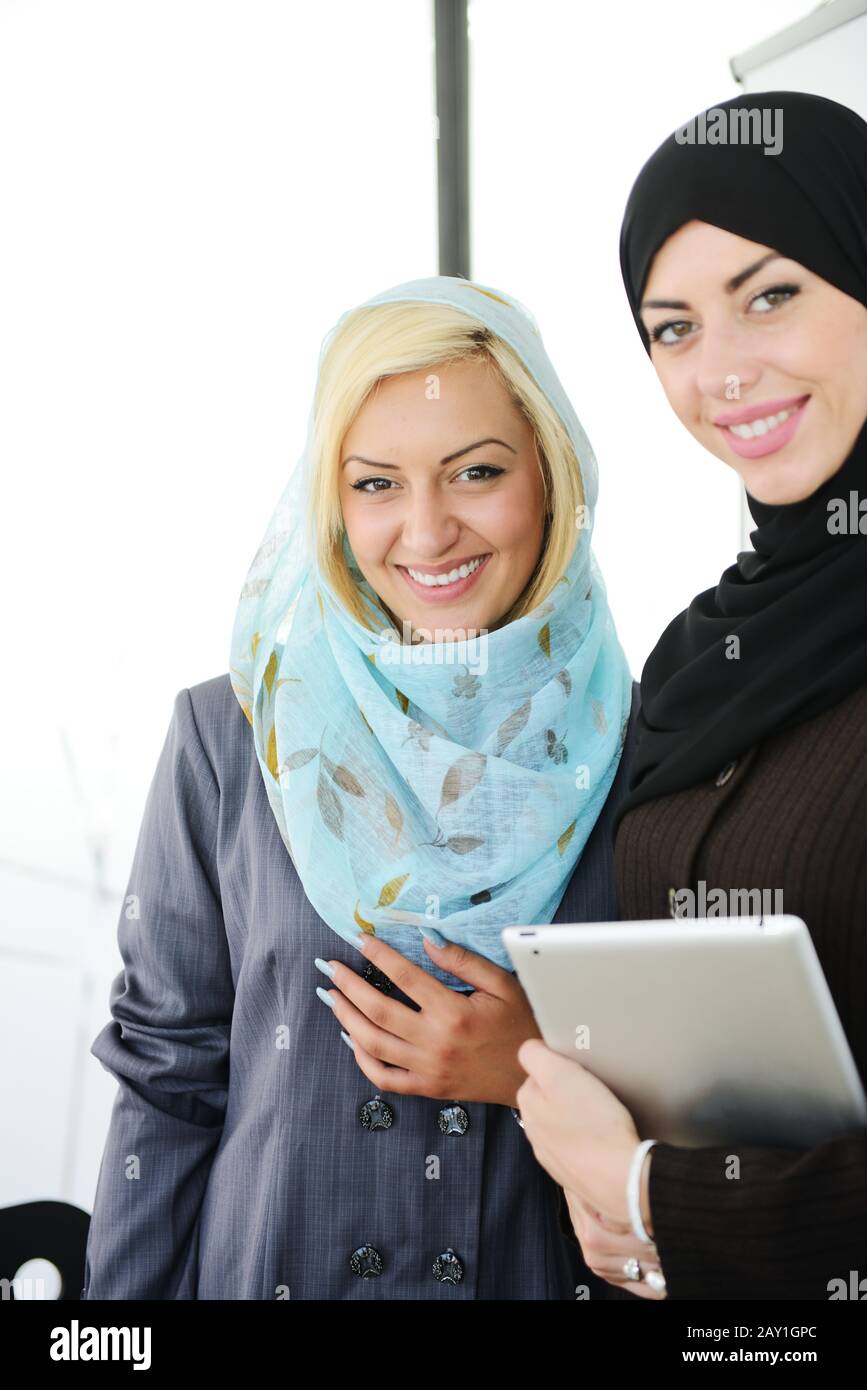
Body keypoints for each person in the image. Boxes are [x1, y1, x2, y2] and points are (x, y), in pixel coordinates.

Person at [82, 274, 637, 1299]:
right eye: (376, 482)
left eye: (475, 472)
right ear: (329, 505)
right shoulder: (235, 737)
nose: (426, 535)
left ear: (552, 477)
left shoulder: (649, 750)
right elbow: (166, 1086)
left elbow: (701, 1110)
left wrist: (534, 1058)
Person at [515, 89, 867, 1302]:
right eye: (672, 328)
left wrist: (655, 1196)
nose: (721, 370)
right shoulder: (702, 652)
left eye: (773, 294)